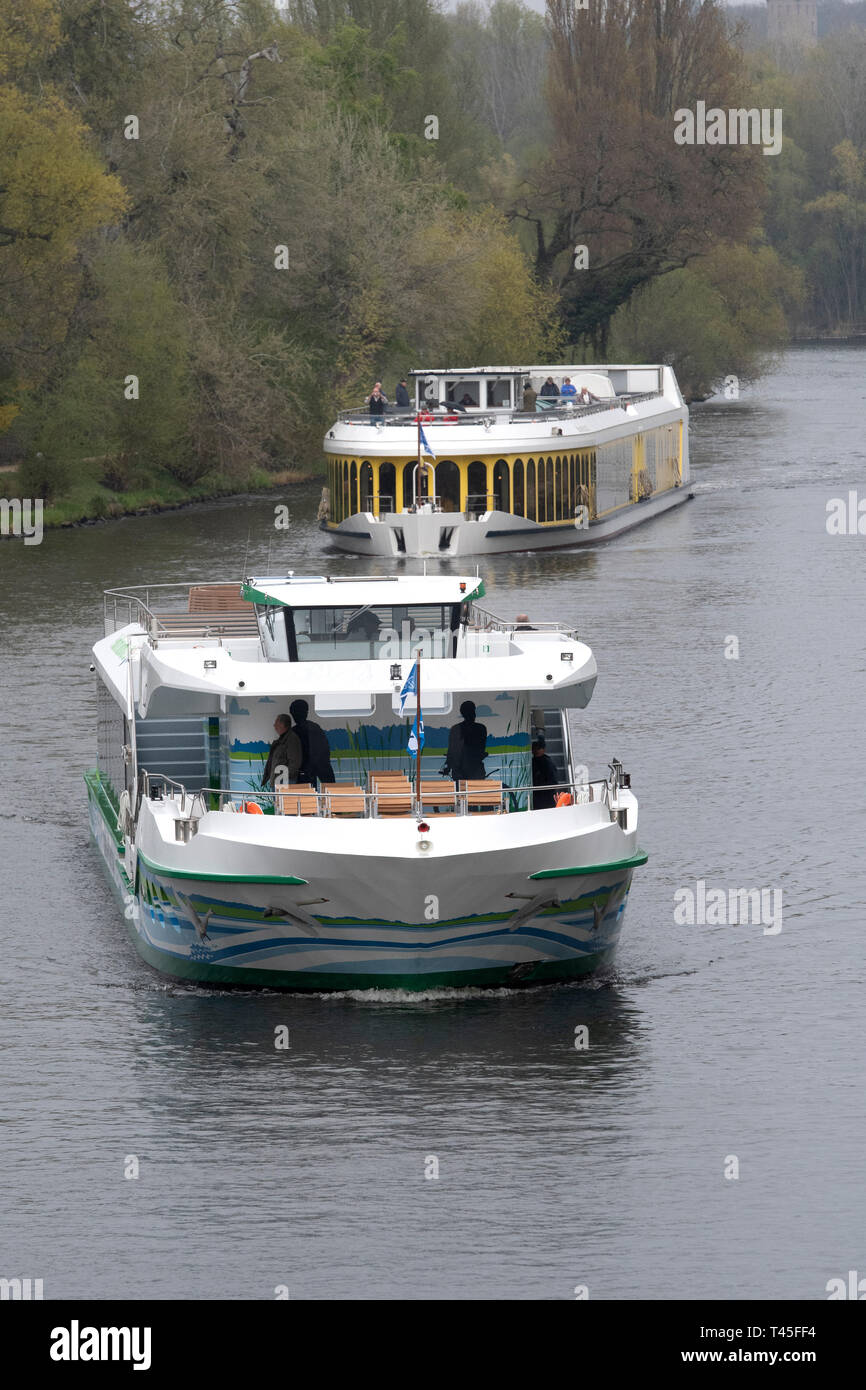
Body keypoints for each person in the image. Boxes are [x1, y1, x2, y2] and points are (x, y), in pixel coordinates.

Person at [289, 699, 335, 787]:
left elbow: (324, 750)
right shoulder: (313, 728)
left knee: (330, 790)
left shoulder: (310, 729)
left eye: (296, 712)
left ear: (305, 712)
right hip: (308, 770)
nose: (295, 715)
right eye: (293, 713)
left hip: (316, 767)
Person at [444, 700, 488, 781]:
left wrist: (447, 767)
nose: (474, 714)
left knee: (462, 791)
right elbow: (481, 750)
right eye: (472, 711)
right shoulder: (481, 728)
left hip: (461, 772)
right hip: (474, 771)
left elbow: (452, 751)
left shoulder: (455, 729)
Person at [262, 714, 302, 789]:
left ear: (282, 725)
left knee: (283, 801)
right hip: (279, 781)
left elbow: (295, 763)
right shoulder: (281, 740)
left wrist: (283, 777)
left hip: (284, 783)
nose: (274, 726)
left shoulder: (292, 739)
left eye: (276, 723)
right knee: (276, 801)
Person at [531, 738, 560, 809]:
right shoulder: (533, 762)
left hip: (546, 795)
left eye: (538, 748)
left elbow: (554, 781)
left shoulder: (548, 762)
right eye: (535, 749)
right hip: (538, 794)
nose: (536, 750)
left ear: (543, 750)